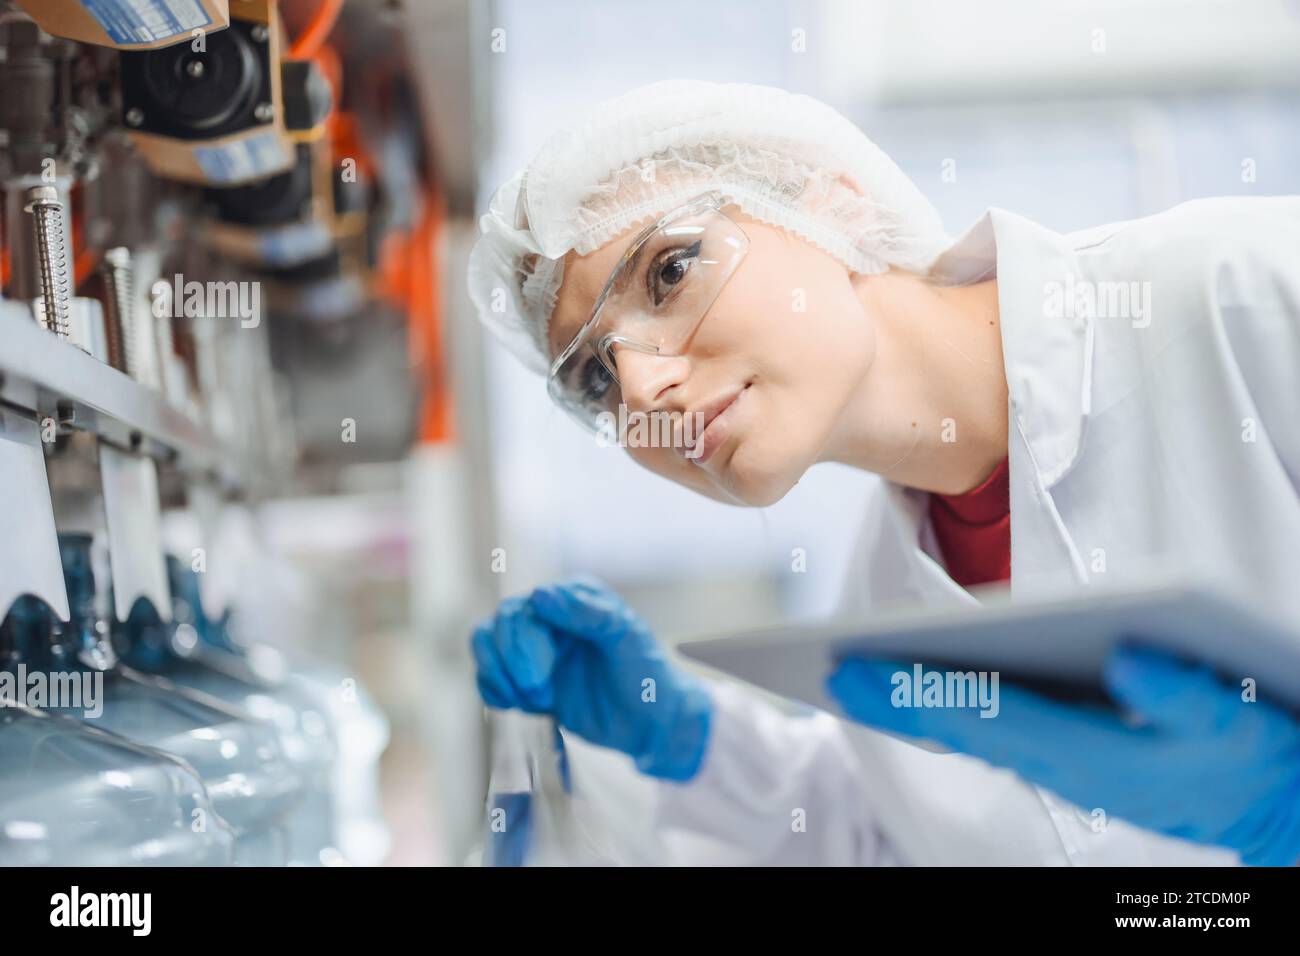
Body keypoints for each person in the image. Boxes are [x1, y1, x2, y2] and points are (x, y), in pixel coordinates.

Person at [466, 79, 1300, 866]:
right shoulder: (881, 596)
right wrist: (689, 740)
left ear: (830, 199)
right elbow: (906, 839)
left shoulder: (1249, 297)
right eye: (597, 380)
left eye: (670, 272)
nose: (643, 388)